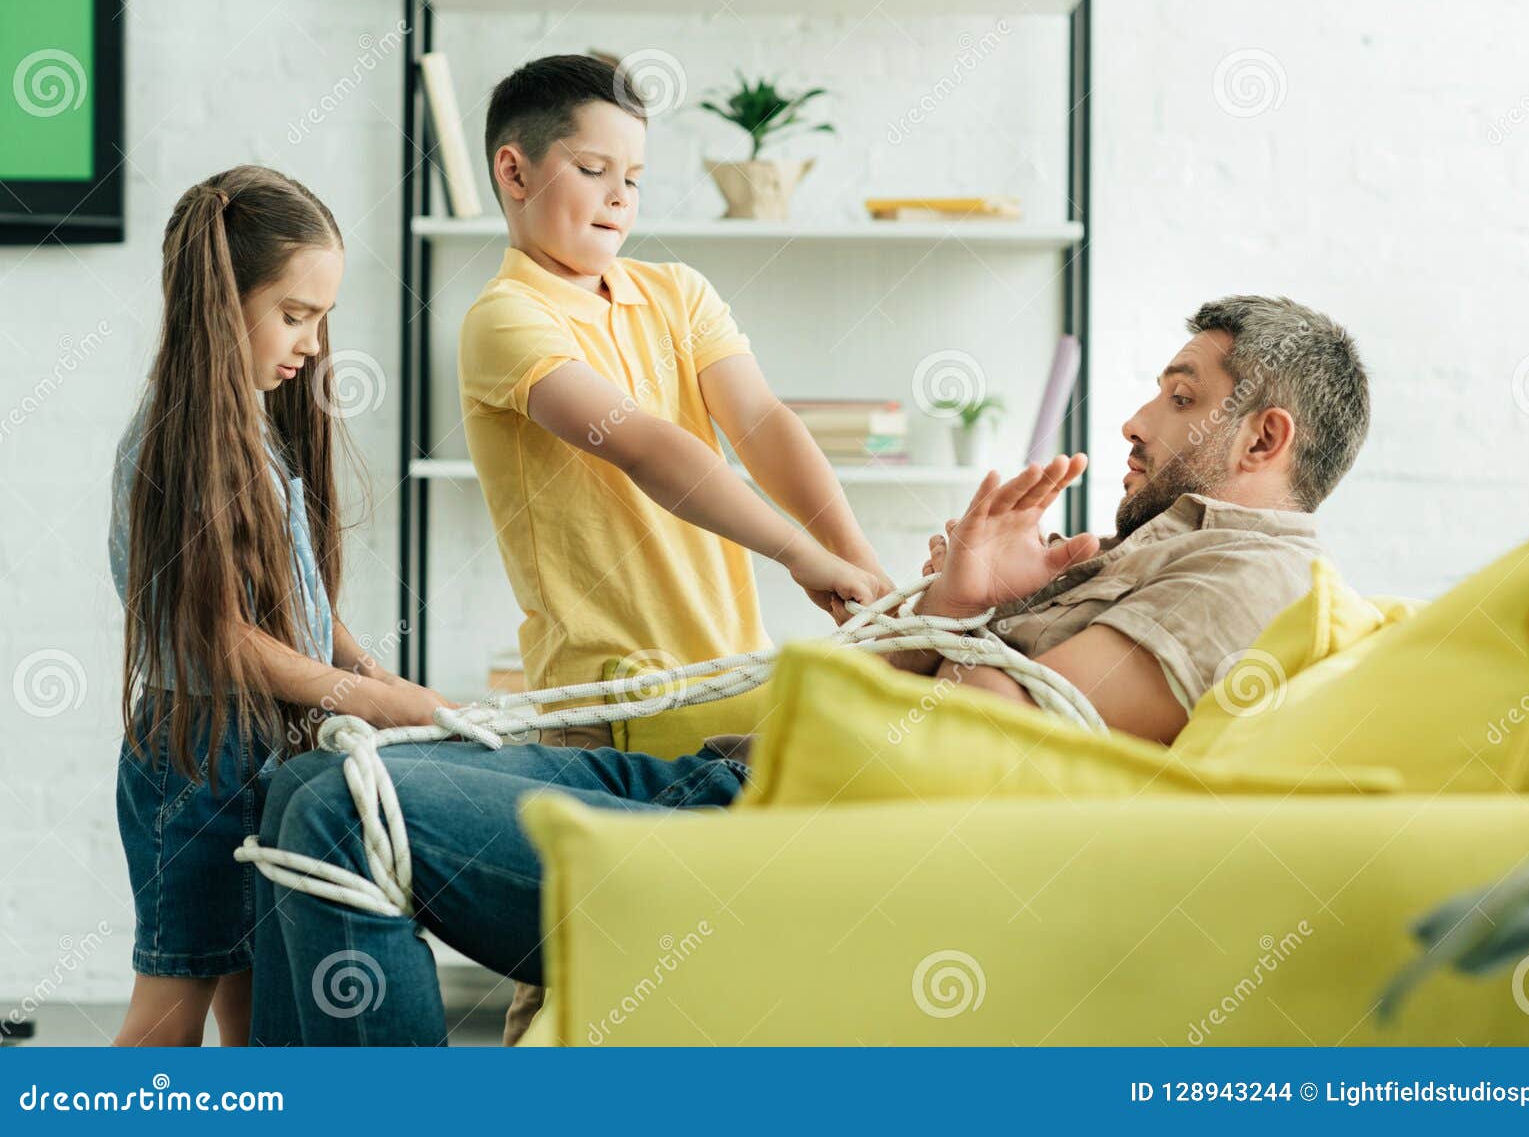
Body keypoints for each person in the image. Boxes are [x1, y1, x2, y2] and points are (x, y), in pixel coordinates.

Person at [248, 295, 1371, 1045]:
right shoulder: (1154, 548)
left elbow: (984, 754)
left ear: (1264, 439)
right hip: (738, 782)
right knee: (301, 784)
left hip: (771, 855)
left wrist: (969, 608)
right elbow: (931, 691)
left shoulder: (1239, 585)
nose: (1136, 418)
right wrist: (951, 602)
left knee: (347, 810)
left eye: (1181, 397)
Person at [459, 54, 892, 1039]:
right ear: (514, 172)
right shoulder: (505, 320)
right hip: (599, 708)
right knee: (573, 981)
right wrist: (800, 557)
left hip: (720, 697)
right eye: (593, 169)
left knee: (700, 986)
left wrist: (857, 562)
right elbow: (646, 447)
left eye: (636, 178)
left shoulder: (676, 293)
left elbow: (763, 423)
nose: (620, 198)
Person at [109, 166, 457, 1046]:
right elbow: (220, 636)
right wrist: (374, 703)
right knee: (169, 1010)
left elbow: (288, 599)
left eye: (321, 319)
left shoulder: (251, 423)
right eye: (294, 315)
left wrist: (367, 668)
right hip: (197, 756)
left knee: (256, 1014)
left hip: (258, 741)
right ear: (222, 301)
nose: (310, 342)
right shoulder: (178, 438)